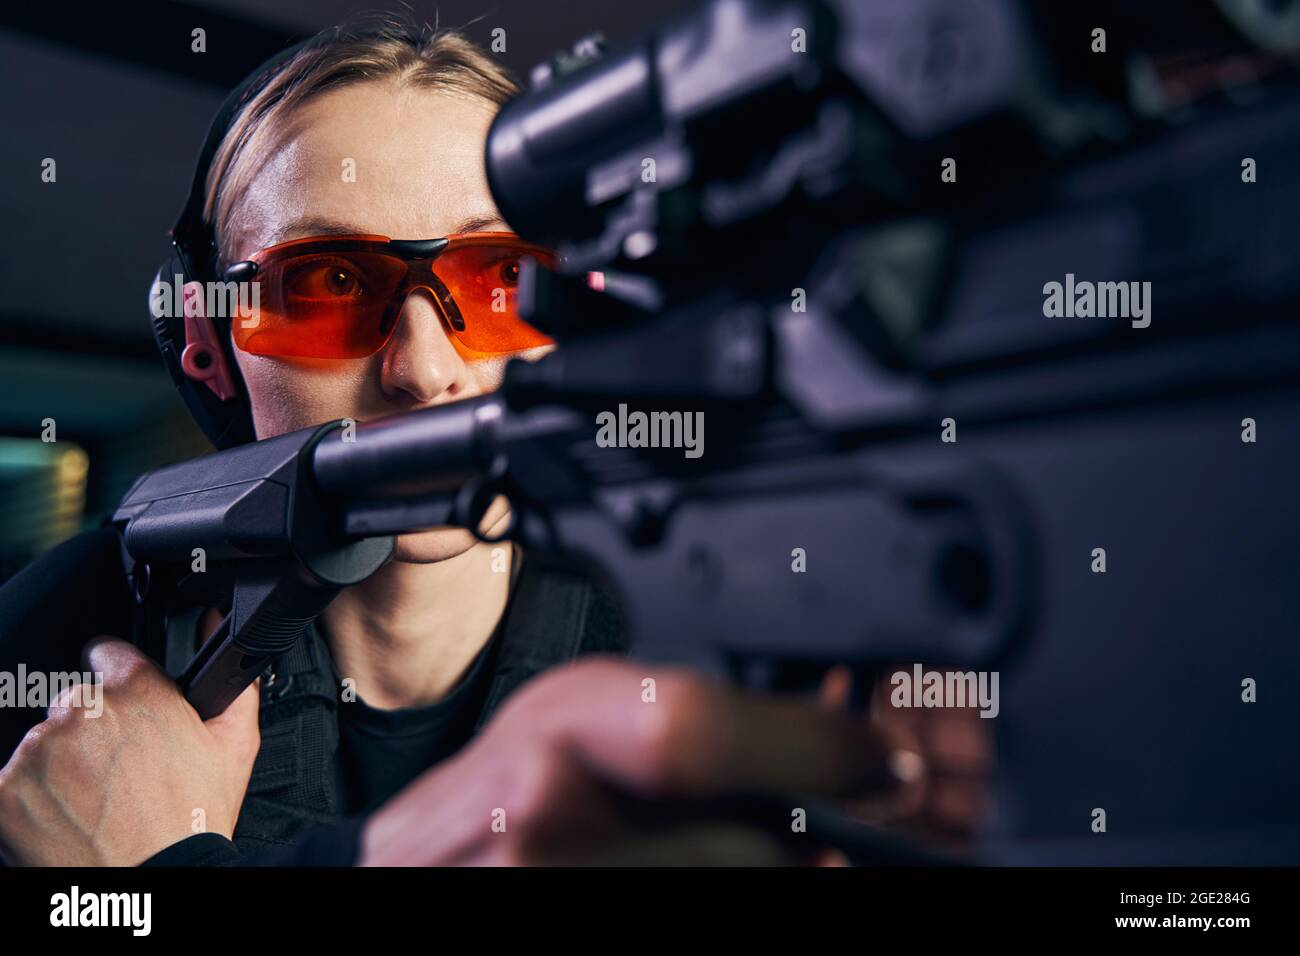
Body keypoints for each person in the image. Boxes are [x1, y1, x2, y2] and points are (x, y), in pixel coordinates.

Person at [0, 18, 988, 866]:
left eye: (501, 280)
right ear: (210, 349)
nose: (423, 368)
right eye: (329, 285)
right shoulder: (68, 635)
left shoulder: (755, 625)